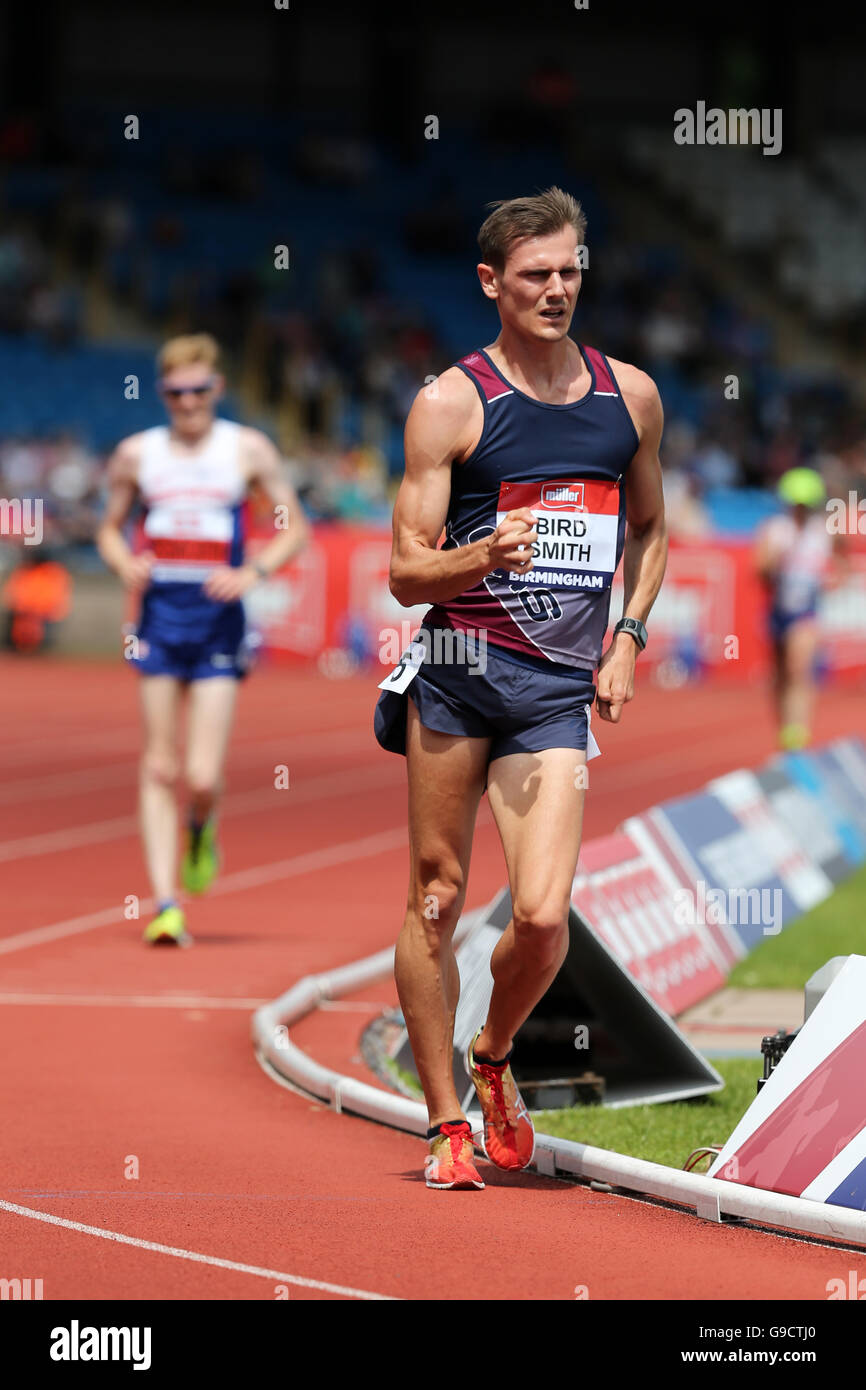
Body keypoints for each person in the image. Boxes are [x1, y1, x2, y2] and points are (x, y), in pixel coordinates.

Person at [374, 188, 667, 1189]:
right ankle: (442, 1120)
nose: (555, 288)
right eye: (534, 273)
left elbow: (650, 526)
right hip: (457, 674)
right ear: (491, 284)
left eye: (569, 270)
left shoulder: (626, 395)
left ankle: (491, 1052)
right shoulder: (450, 403)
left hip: (553, 689)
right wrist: (476, 555)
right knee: (435, 897)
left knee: (541, 917)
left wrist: (624, 636)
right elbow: (404, 573)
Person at [98, 333, 308, 945]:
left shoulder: (246, 449)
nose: (187, 403)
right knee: (160, 764)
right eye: (175, 393)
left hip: (219, 624)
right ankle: (166, 903)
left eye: (198, 391)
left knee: (201, 776)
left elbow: (292, 524)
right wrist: (122, 563)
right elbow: (109, 528)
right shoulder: (137, 455)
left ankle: (201, 826)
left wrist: (253, 572)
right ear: (162, 393)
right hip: (160, 621)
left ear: (216, 388)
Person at [754, 466, 842, 750]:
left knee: (798, 669)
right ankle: (785, 733)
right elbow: (759, 571)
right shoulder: (776, 530)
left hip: (806, 612)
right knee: (779, 675)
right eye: (796, 504)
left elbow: (843, 561)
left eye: (806, 505)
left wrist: (833, 580)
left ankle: (798, 733)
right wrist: (773, 564)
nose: (801, 510)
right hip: (777, 612)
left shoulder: (823, 532)